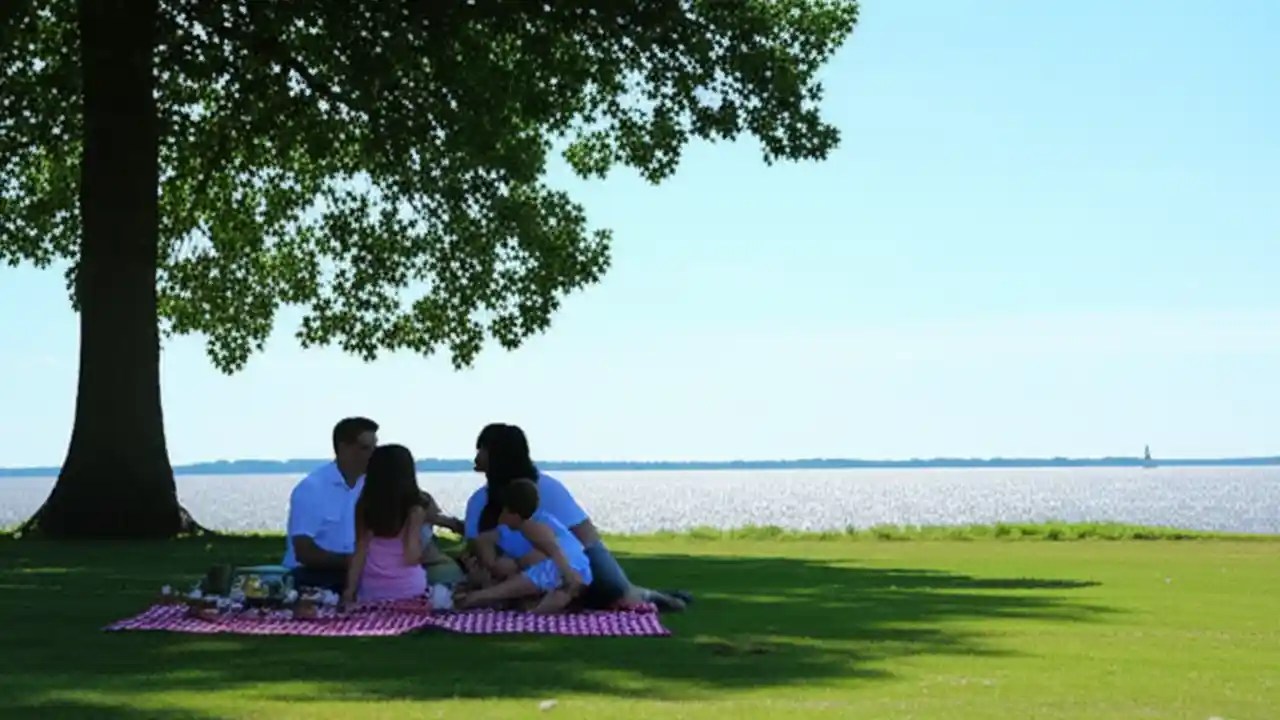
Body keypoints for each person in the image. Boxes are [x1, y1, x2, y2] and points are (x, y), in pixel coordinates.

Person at [463, 423, 691, 612]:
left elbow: (585, 536)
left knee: (612, 591)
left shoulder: (545, 489)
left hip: (572, 558)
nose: (476, 456)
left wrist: (575, 567)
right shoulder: (479, 502)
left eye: (481, 449)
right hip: (524, 566)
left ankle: (649, 595)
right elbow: (478, 545)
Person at [455, 479, 591, 613]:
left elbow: (554, 550)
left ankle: (476, 598)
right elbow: (484, 542)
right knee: (555, 589)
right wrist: (492, 565)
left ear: (510, 512)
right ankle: (537, 608)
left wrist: (567, 574)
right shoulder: (506, 532)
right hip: (571, 568)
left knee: (541, 578)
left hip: (566, 565)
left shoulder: (531, 525)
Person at [282, 417, 378, 591]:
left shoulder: (373, 485)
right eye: (365, 448)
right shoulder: (312, 488)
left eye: (374, 448)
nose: (373, 455)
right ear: (344, 449)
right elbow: (304, 552)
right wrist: (353, 561)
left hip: (358, 572)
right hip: (313, 576)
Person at [342, 444, 429, 604]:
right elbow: (411, 556)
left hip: (371, 590)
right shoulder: (415, 509)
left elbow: (359, 551)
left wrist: (350, 590)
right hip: (408, 589)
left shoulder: (364, 506)